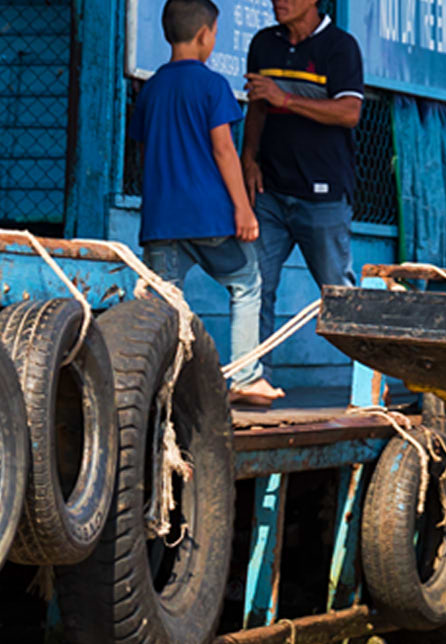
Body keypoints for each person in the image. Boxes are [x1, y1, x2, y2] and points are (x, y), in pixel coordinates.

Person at [133, 0, 280, 406]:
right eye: (214, 34)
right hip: (209, 216)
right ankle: (248, 376)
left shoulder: (152, 89)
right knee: (247, 283)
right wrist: (243, 208)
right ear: (204, 35)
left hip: (162, 220)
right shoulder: (212, 85)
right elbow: (224, 150)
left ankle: (158, 386)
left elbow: (145, 152)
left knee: (162, 307)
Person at [241, 0, 363, 373]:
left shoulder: (340, 46)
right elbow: (258, 108)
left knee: (339, 295)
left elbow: (349, 112)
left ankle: (369, 383)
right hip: (270, 193)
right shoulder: (263, 43)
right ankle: (252, 381)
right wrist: (248, 158)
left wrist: (287, 99)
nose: (279, 1)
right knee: (255, 289)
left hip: (323, 195)